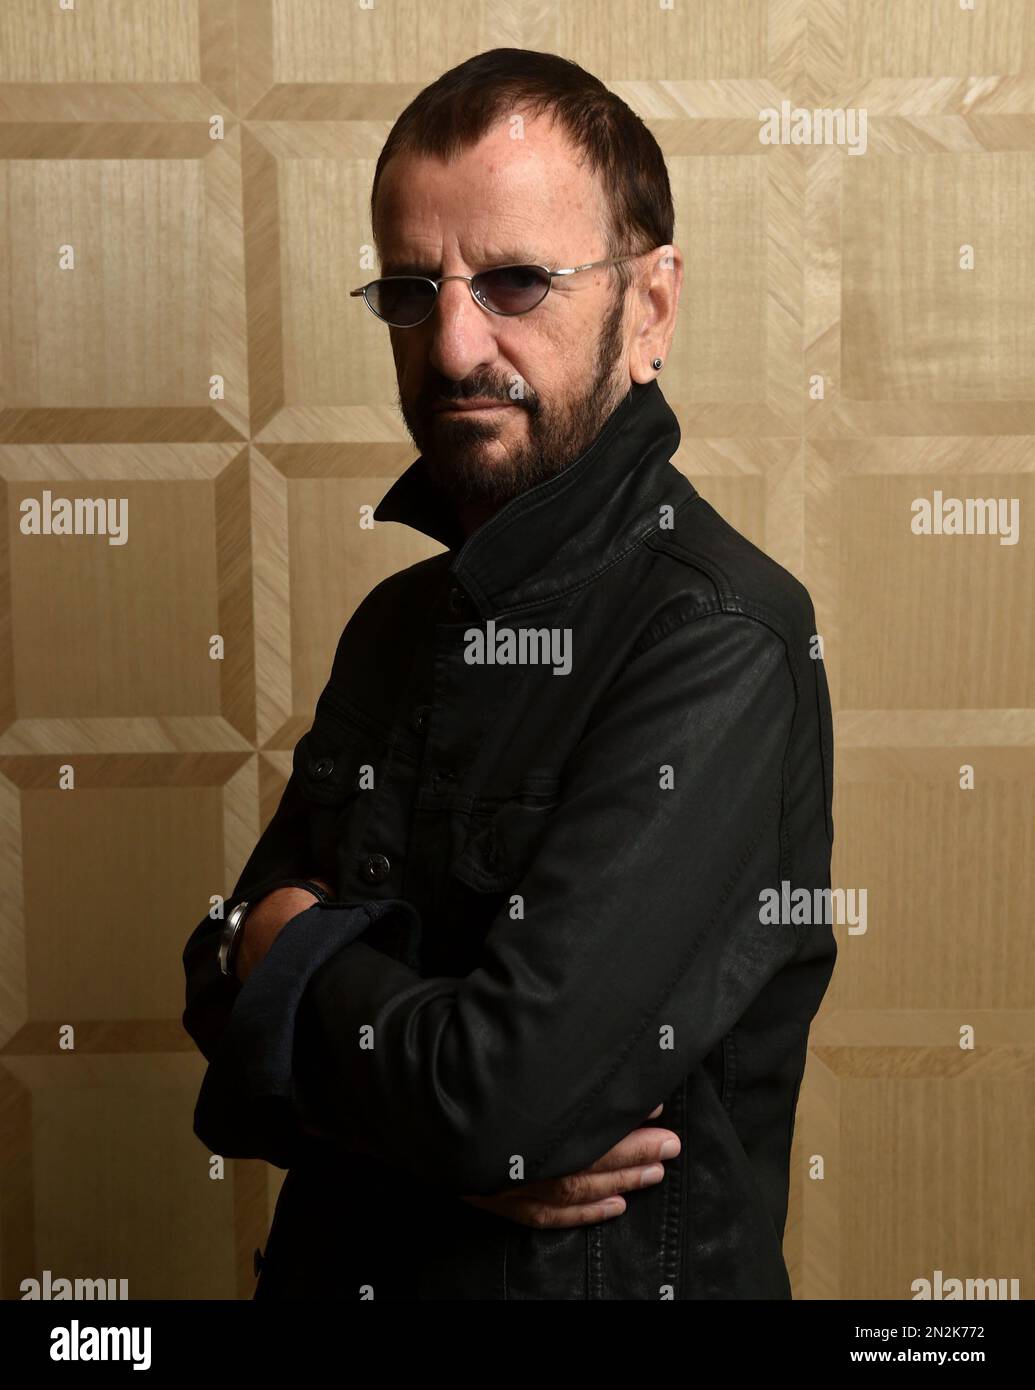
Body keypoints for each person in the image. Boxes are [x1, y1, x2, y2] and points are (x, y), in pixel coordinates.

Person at [182, 47, 837, 1301]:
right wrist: (419, 1111)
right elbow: (212, 992)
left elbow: (498, 1094)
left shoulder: (720, 637)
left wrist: (293, 960)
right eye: (412, 290)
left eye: (517, 281)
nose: (453, 341)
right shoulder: (394, 624)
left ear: (648, 311)